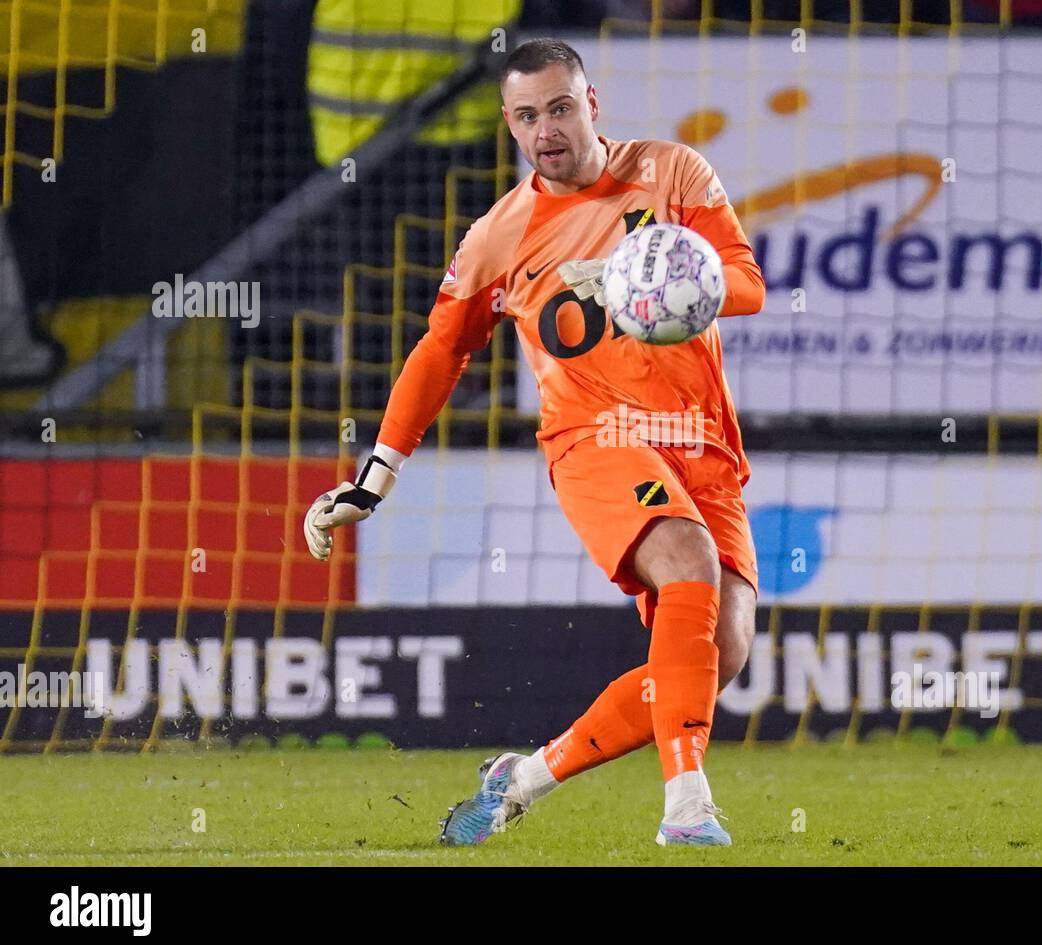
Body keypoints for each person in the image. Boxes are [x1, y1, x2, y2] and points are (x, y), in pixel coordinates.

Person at [303, 38, 765, 847]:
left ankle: (523, 777)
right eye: (526, 116)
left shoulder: (675, 172)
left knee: (718, 654)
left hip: (701, 441)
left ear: (592, 104)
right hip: (594, 439)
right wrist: (377, 475)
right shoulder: (499, 235)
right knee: (686, 562)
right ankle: (687, 811)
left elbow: (751, 284)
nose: (546, 128)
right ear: (510, 127)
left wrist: (658, 276)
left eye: (559, 107)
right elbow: (441, 350)